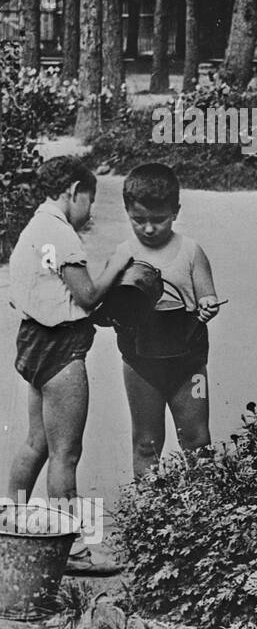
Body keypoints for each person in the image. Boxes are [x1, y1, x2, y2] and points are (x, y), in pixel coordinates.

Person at [6, 157, 132, 575]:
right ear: (74, 191)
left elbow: (56, 293)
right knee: (66, 453)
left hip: (34, 341)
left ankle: (12, 522)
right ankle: (74, 550)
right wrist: (119, 261)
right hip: (60, 350)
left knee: (36, 443)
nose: (89, 211)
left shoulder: (34, 229)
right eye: (89, 201)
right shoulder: (60, 234)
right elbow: (89, 295)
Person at [110, 164, 221, 480]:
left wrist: (208, 305)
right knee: (146, 443)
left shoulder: (190, 250)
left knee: (197, 440)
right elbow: (107, 303)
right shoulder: (124, 253)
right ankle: (148, 516)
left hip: (188, 361)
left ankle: (205, 511)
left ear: (176, 211)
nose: (147, 228)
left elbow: (207, 295)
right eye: (138, 220)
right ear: (127, 211)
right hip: (140, 361)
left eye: (158, 220)